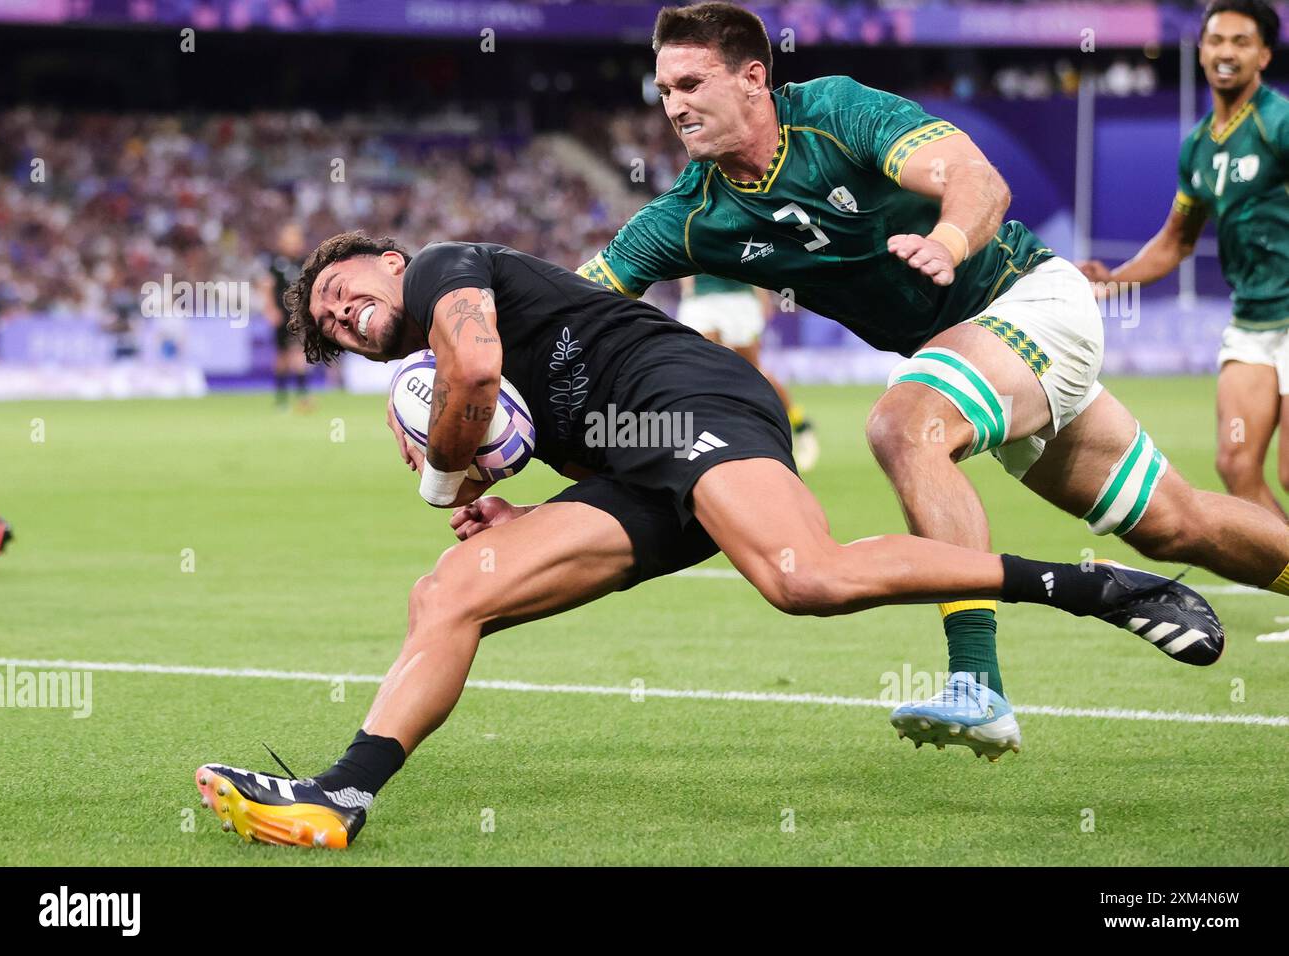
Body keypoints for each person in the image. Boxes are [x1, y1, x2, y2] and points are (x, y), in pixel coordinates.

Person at [194, 231, 1223, 849]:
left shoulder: (447, 277)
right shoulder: (441, 358)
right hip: (639, 464)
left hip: (692, 400)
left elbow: (468, 378)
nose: (344, 315)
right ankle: (343, 793)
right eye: (330, 325)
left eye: (343, 291)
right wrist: (518, 506)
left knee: (801, 575)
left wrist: (442, 474)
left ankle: (1101, 589)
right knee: (454, 586)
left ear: (390, 260)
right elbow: (557, 427)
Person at [575, 1, 1289, 757]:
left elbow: (978, 181)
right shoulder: (689, 215)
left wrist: (949, 240)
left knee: (901, 425)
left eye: (690, 83)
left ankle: (977, 687)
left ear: (753, 78)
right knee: (1179, 525)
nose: (673, 105)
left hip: (1029, 301)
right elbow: (572, 307)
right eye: (664, 89)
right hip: (984, 360)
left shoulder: (836, 113)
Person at [1079, 0, 1288, 521]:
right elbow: (1178, 239)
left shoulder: (1279, 123)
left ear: (1264, 55)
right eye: (1216, 40)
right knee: (1237, 465)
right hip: (1252, 321)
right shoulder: (1197, 147)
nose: (1226, 52)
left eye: (1242, 42)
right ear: (1201, 51)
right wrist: (1116, 280)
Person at [676, 274, 820, 470]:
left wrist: (762, 297)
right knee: (699, 367)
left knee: (753, 371)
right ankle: (710, 441)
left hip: (738, 299)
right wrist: (687, 287)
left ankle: (800, 424)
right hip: (701, 299)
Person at [263, 222, 313, 410]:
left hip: (298, 316)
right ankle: (282, 399)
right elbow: (267, 286)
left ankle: (303, 397)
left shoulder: (303, 263)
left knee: (299, 354)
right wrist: (270, 309)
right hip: (281, 315)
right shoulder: (276, 263)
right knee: (282, 357)